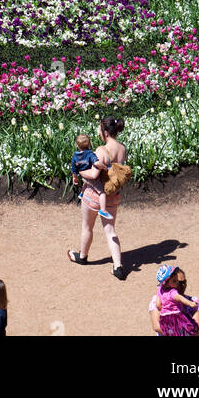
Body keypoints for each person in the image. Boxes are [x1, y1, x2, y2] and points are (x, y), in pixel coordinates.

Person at [67, 115, 129, 279]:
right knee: (110, 231)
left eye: (100, 130)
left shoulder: (102, 150)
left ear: (106, 132)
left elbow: (94, 174)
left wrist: (79, 172)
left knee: (87, 226)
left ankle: (83, 256)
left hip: (94, 196)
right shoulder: (122, 149)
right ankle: (118, 266)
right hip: (112, 195)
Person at [151, 264, 199, 337]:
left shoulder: (193, 300)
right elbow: (157, 327)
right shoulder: (156, 299)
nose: (182, 285)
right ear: (167, 283)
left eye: (184, 282)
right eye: (177, 281)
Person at [71, 134, 110, 219]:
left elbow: (73, 169)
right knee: (101, 192)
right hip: (91, 177)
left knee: (86, 183)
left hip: (83, 177)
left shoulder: (75, 156)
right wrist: (104, 167)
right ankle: (103, 210)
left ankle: (82, 193)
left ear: (77, 146)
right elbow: (96, 163)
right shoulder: (90, 154)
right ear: (90, 144)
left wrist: (75, 178)